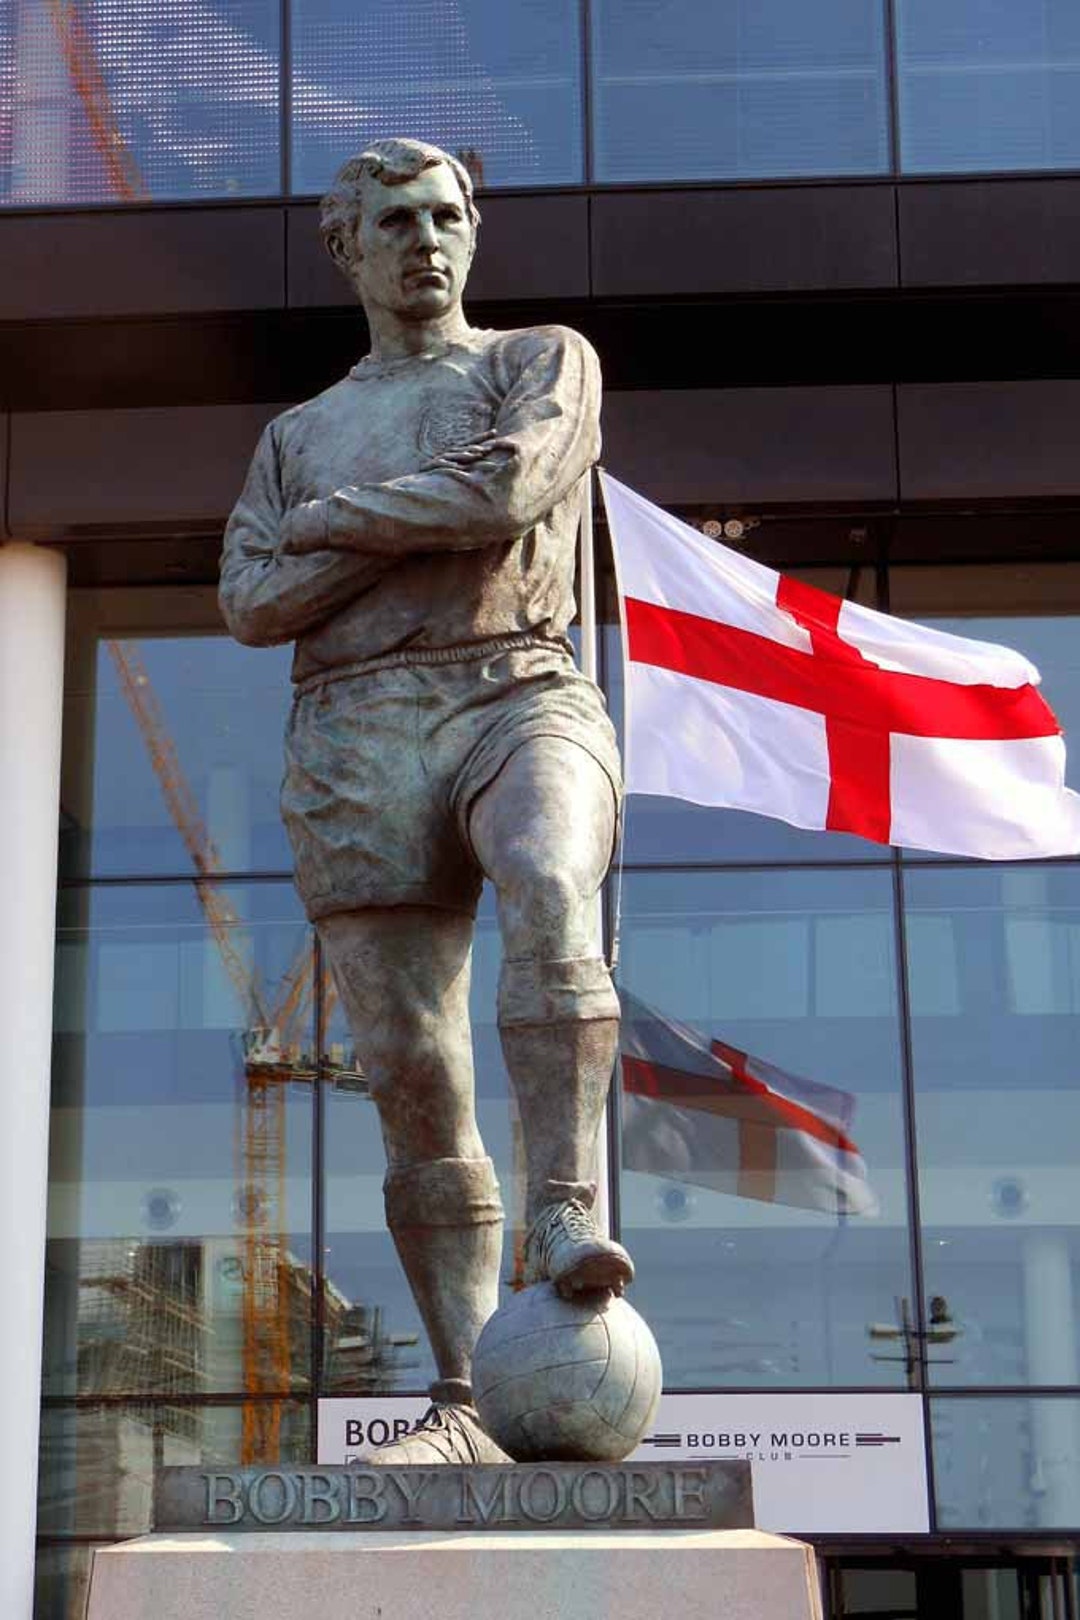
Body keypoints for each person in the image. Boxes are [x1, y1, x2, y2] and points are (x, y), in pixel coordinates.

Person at [219, 137, 631, 1464]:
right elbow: (248, 603)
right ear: (348, 245)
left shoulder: (539, 361)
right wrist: (402, 521)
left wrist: (332, 526)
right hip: (351, 731)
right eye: (395, 219)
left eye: (448, 215)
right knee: (410, 1079)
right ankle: (465, 1397)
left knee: (554, 880)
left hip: (516, 686)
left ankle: (565, 1206)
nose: (427, 239)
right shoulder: (295, 435)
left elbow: (514, 483)